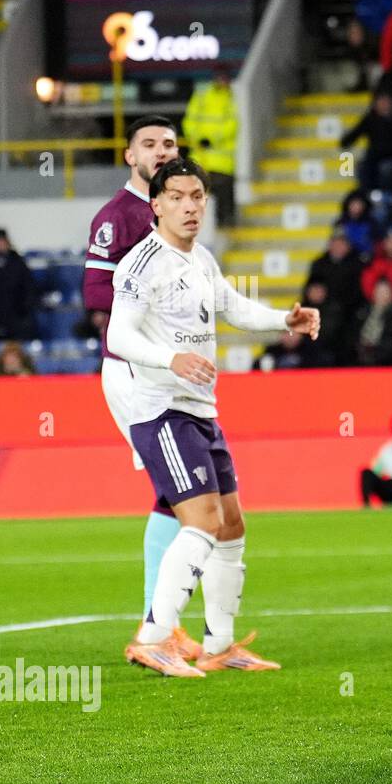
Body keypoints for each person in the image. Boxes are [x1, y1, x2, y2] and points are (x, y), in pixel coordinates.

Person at [107, 158, 320, 677]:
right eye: (176, 196)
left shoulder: (199, 258)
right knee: (202, 522)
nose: (189, 205)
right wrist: (170, 358)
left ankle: (220, 645)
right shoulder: (140, 264)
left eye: (196, 196)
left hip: (200, 411)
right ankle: (152, 638)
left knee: (231, 526)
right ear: (156, 204)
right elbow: (118, 336)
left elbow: (231, 307)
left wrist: (282, 321)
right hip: (161, 410)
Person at [81, 115, 183, 637]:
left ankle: (163, 624)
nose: (161, 150)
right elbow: (94, 293)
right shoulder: (118, 216)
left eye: (168, 142)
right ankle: (156, 625)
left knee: (187, 494)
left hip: (168, 372)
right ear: (130, 156)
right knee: (181, 492)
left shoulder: (176, 211)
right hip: (131, 372)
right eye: (149, 144)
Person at [182, 66, 238, 226]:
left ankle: (224, 226)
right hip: (201, 159)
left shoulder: (231, 99)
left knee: (223, 203)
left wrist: (211, 140)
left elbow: (232, 126)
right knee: (197, 200)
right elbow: (189, 122)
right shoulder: (202, 98)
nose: (223, 81)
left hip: (222, 163)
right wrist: (199, 139)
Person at [0, 229, 37, 341]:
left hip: (15, 316)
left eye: (2, 242)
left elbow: (29, 290)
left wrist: (22, 311)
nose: (0, 245)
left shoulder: (18, 263)